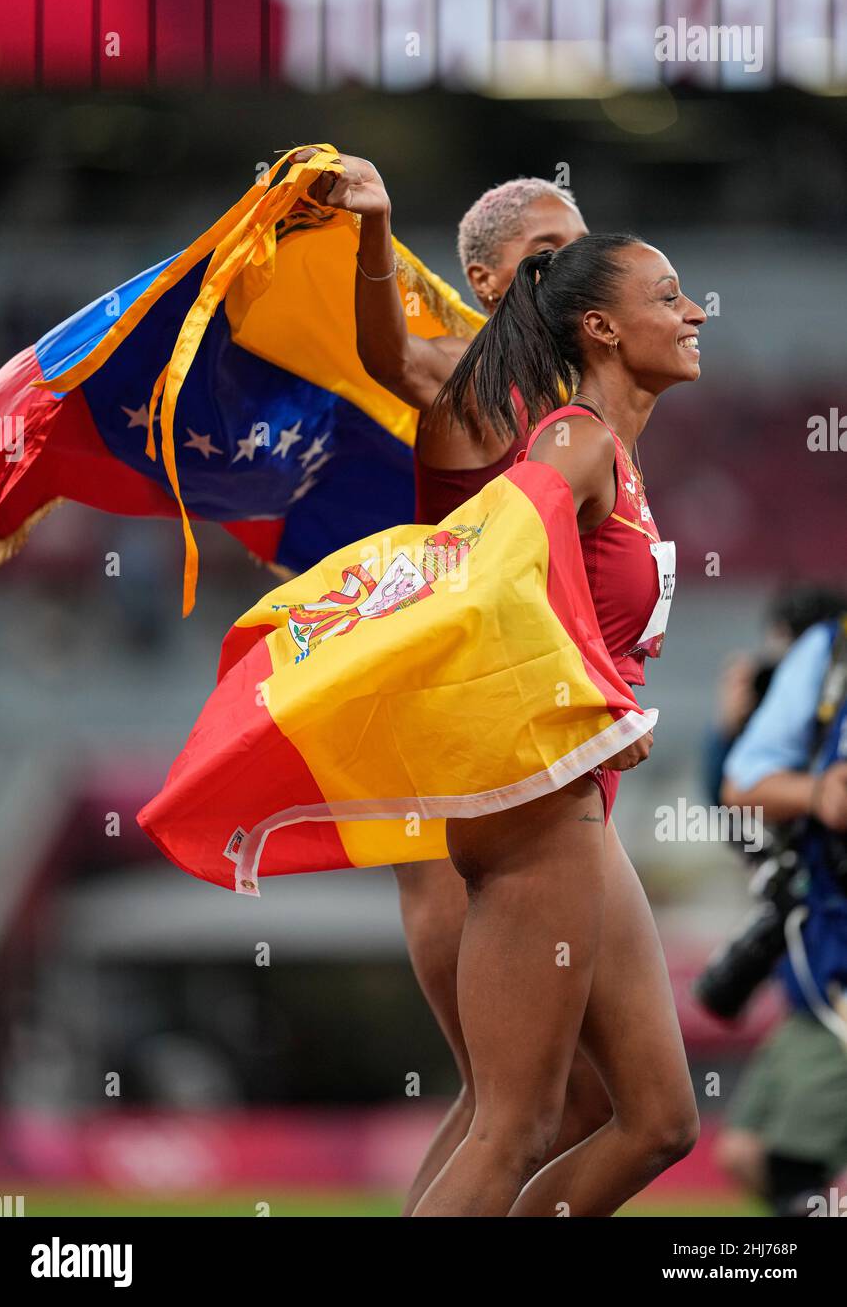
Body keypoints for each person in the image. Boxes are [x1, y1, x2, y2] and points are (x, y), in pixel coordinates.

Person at [140, 232, 704, 1215]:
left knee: (655, 1119)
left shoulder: (611, 450)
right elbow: (492, 552)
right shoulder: (569, 439)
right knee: (516, 1123)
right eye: (668, 295)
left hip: (576, 799)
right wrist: (600, 696)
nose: (693, 310)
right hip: (538, 802)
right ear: (603, 328)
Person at [293, 149, 614, 1211]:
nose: (569, 272)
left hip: (548, 762)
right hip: (468, 773)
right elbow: (383, 352)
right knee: (522, 1104)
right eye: (543, 253)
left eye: (581, 252)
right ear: (483, 280)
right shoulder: (473, 376)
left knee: (562, 1105)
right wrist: (377, 228)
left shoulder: (584, 401)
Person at [716, 614, 847, 1215]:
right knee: (750, 1152)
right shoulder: (832, 655)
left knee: (791, 1163)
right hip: (822, 957)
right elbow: (736, 798)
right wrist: (819, 793)